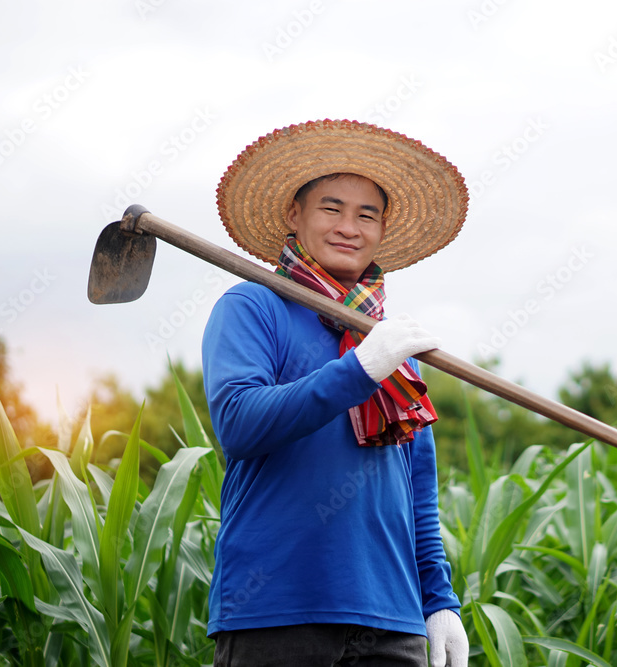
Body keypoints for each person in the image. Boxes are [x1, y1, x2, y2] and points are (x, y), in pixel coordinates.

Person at [202, 119, 470, 666]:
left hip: (392, 621)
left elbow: (417, 490)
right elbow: (239, 423)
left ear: (382, 229)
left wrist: (439, 601)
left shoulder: (392, 346)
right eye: (331, 208)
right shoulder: (253, 306)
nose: (348, 227)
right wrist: (360, 369)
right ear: (294, 215)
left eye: (366, 214)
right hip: (276, 610)